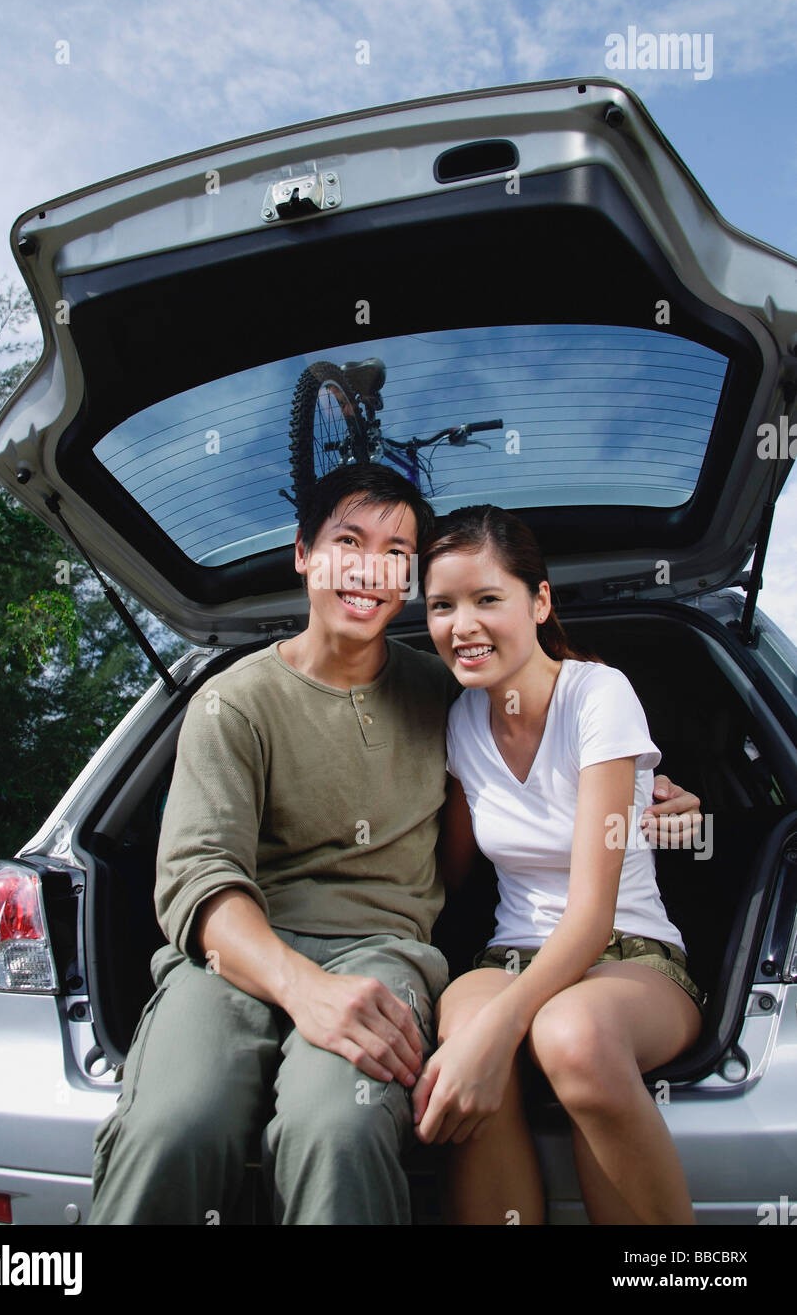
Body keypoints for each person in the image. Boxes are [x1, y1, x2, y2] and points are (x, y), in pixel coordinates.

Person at [88, 465, 700, 1226]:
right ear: (304, 554)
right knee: (172, 1129)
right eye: (350, 541)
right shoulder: (243, 701)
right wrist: (305, 989)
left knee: (341, 1129)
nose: (373, 570)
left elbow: (556, 747)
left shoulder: (454, 694)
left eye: (396, 553)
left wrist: (654, 795)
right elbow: (198, 875)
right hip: (250, 958)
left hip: (406, 954)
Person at [411, 504, 704, 1225]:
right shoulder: (460, 721)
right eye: (442, 605)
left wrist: (498, 1031)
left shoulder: (598, 695)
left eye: (488, 599)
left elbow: (591, 913)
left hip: (624, 955)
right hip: (509, 952)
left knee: (569, 1036)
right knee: (462, 1015)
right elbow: (448, 875)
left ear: (539, 602)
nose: (462, 625)